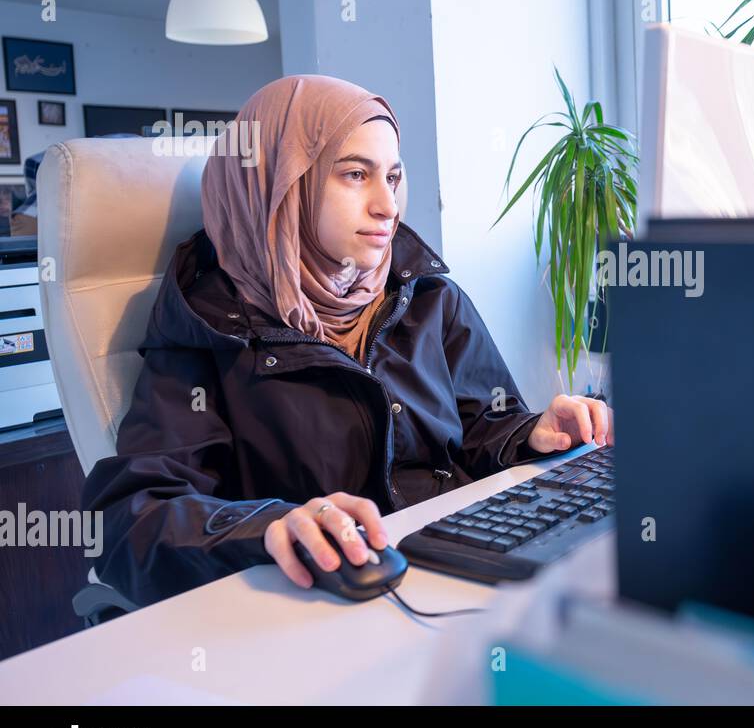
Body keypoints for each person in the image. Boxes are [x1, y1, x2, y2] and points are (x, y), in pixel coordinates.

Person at [82, 75, 612, 607]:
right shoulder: (209, 332)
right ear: (281, 187)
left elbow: (480, 427)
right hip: (324, 611)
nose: (389, 205)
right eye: (356, 174)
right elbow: (131, 519)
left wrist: (530, 432)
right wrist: (268, 526)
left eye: (394, 176)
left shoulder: (429, 298)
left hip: (455, 580)